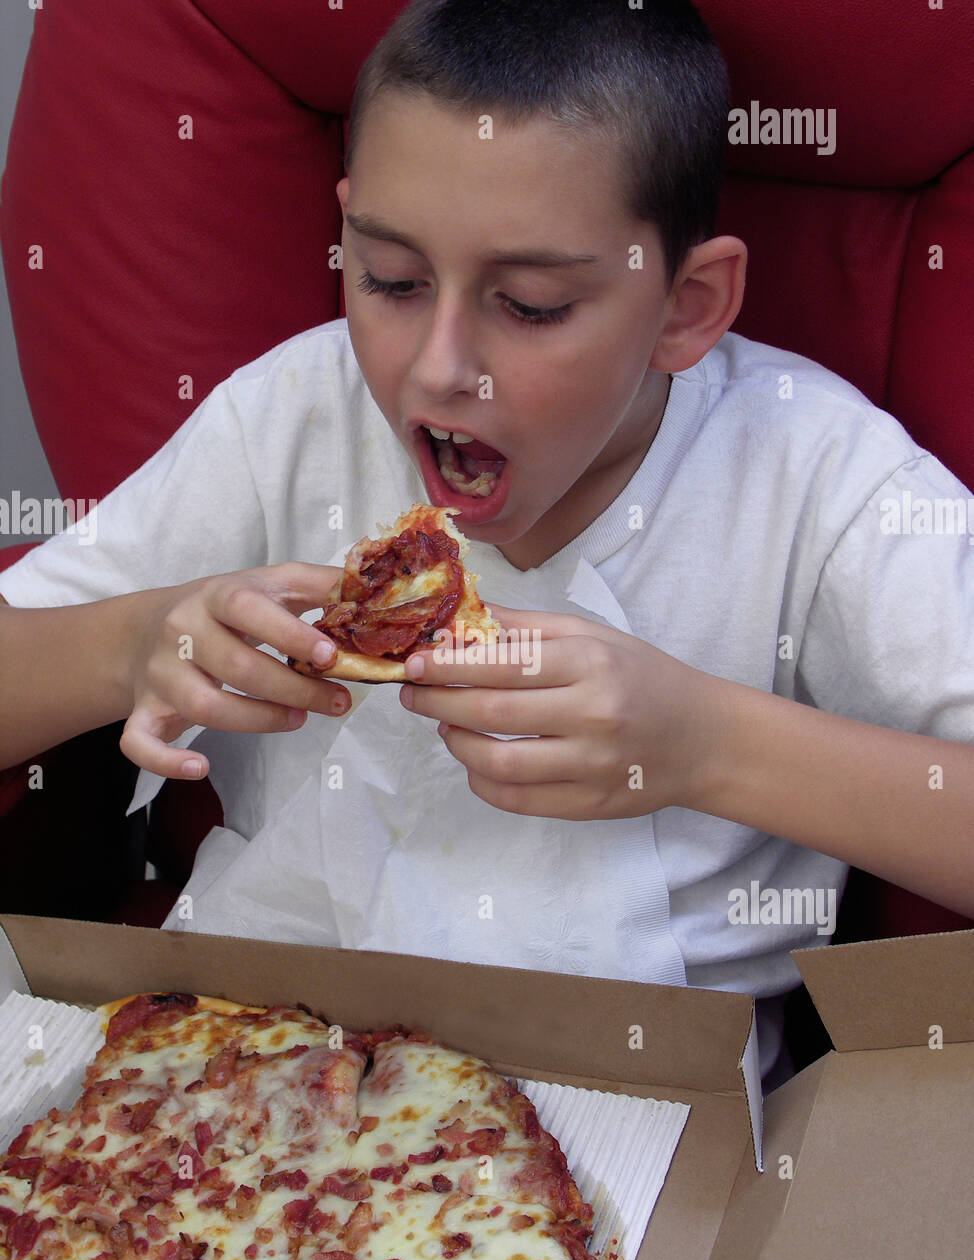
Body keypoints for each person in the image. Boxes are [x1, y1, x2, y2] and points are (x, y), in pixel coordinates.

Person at [1, 0, 972, 1090]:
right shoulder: (291, 411)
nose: (435, 370)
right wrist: (132, 643)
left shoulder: (821, 478)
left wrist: (708, 746)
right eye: (391, 281)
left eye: (529, 304)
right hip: (250, 1047)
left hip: (636, 1105)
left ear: (684, 307)